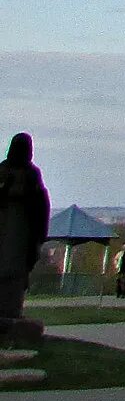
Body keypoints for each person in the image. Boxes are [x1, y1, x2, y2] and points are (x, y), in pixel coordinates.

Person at [0, 132, 51, 329]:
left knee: (15, 270)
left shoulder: (31, 174)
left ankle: (11, 309)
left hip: (21, 230)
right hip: (7, 225)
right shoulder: (4, 170)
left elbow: (39, 202)